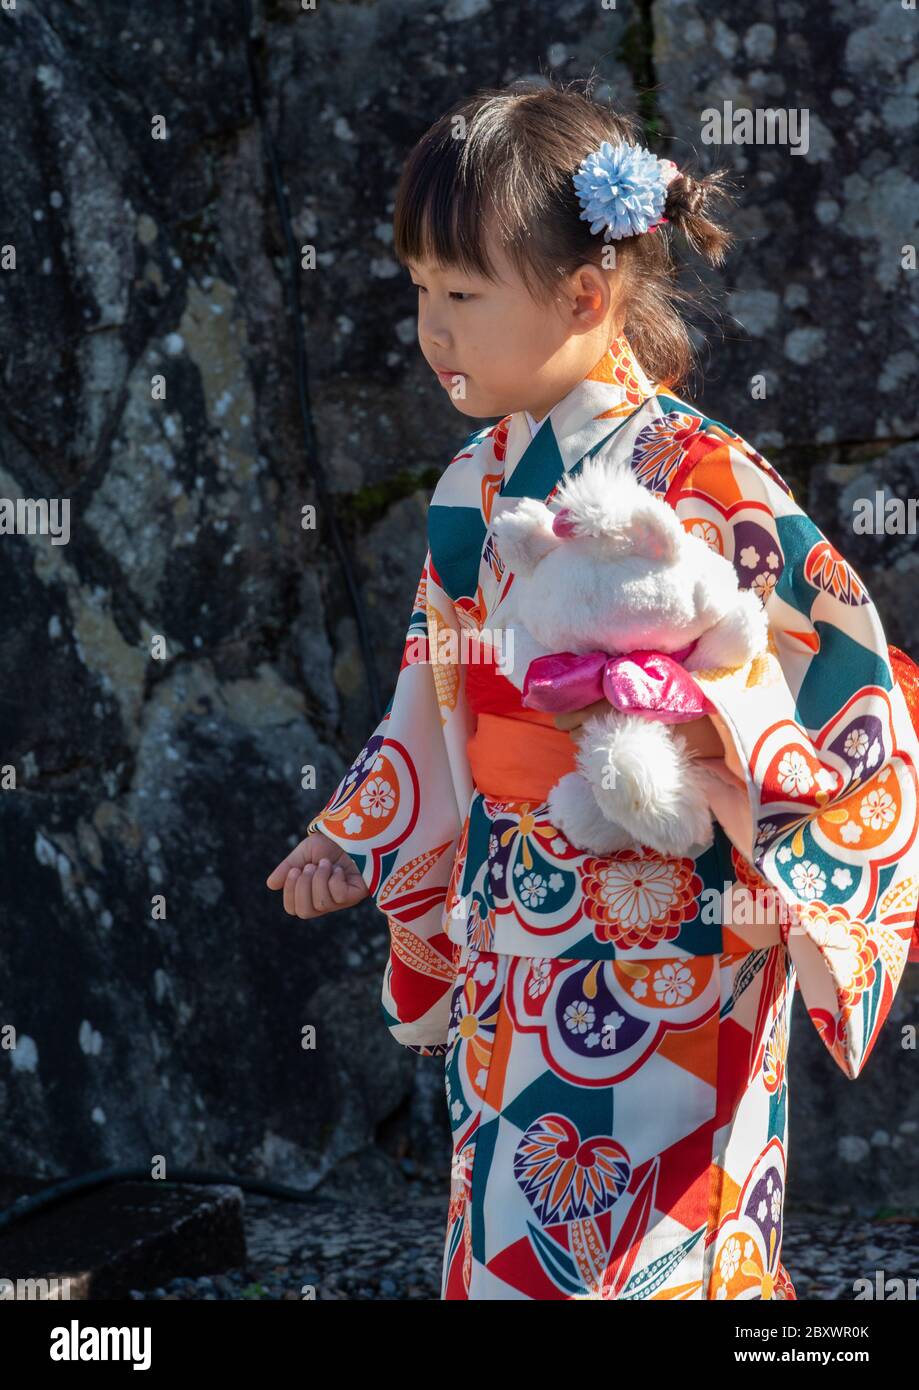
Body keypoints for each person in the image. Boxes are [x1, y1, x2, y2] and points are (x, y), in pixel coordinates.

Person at [266, 80, 919, 1300]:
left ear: (584, 294)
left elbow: (839, 673)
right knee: (513, 1222)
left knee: (666, 1253)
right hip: (521, 924)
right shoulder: (473, 486)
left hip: (680, 921)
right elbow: (436, 681)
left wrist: (700, 722)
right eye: (419, 291)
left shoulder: (708, 473)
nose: (433, 330)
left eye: (462, 295)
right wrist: (358, 830)